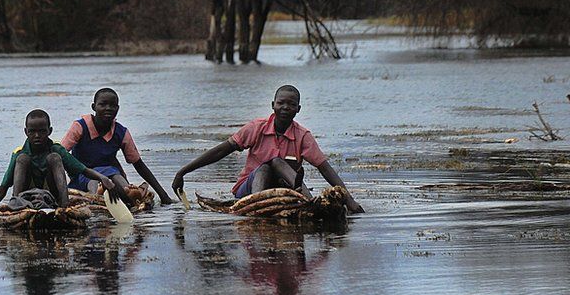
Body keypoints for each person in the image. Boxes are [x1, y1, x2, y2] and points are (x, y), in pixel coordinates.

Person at [171, 85, 364, 213]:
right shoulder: (257, 128)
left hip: (284, 190)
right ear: (273, 105)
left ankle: (307, 202)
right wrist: (183, 171)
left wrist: (349, 201)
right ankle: (258, 206)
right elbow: (222, 150)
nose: (285, 107)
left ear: (298, 109)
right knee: (268, 165)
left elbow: (325, 168)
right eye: (281, 103)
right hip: (249, 191)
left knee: (278, 163)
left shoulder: (303, 136)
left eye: (291, 104)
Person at [0, 109, 118, 225]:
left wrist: (102, 178)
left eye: (41, 131)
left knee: (54, 158)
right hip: (26, 198)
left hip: (51, 198)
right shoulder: (19, 153)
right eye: (32, 132)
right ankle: (17, 204)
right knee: (22, 159)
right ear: (26, 132)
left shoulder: (56, 149)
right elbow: (3, 188)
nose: (37, 136)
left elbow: (83, 170)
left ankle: (64, 205)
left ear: (49, 131)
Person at [61, 88, 174, 205]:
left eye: (112, 105)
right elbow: (60, 154)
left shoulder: (121, 132)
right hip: (83, 176)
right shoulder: (80, 126)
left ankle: (132, 195)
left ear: (117, 108)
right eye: (103, 104)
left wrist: (163, 195)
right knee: (95, 181)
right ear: (94, 107)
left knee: (119, 180)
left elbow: (138, 164)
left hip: (111, 175)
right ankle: (95, 201)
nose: (108, 108)